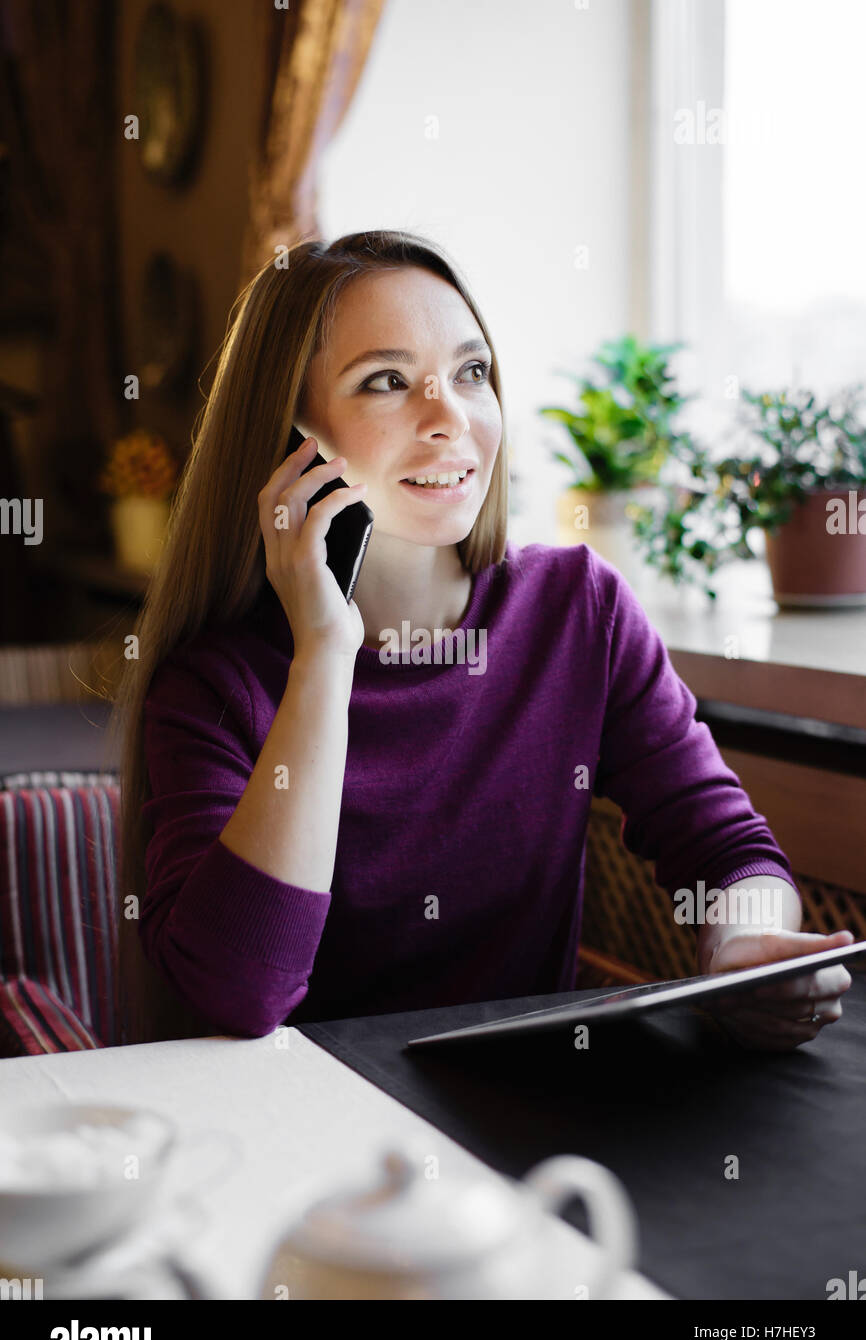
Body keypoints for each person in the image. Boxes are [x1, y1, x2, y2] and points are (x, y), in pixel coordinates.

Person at [111, 229, 853, 1049]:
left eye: (471, 373)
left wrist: (743, 943)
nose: (451, 418)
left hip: (523, 1126)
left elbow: (729, 848)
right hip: (310, 1140)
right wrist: (323, 654)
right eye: (387, 382)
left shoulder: (579, 609)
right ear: (292, 439)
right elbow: (239, 995)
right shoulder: (213, 685)